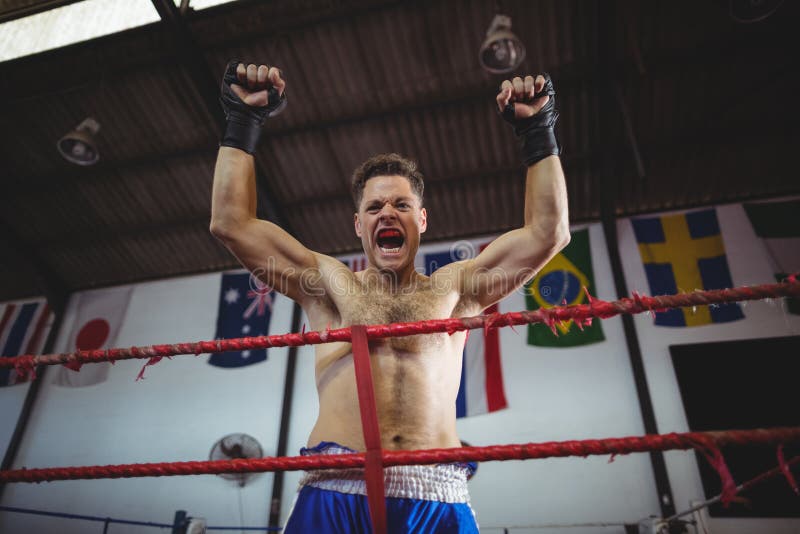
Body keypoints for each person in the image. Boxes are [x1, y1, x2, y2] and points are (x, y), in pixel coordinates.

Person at [210, 60, 570, 533]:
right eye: (374, 206)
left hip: (435, 491)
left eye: (402, 204)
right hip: (336, 486)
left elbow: (549, 233)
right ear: (359, 226)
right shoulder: (326, 285)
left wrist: (537, 132)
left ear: (421, 221)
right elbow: (231, 224)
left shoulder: (456, 290)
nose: (388, 213)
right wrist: (243, 120)